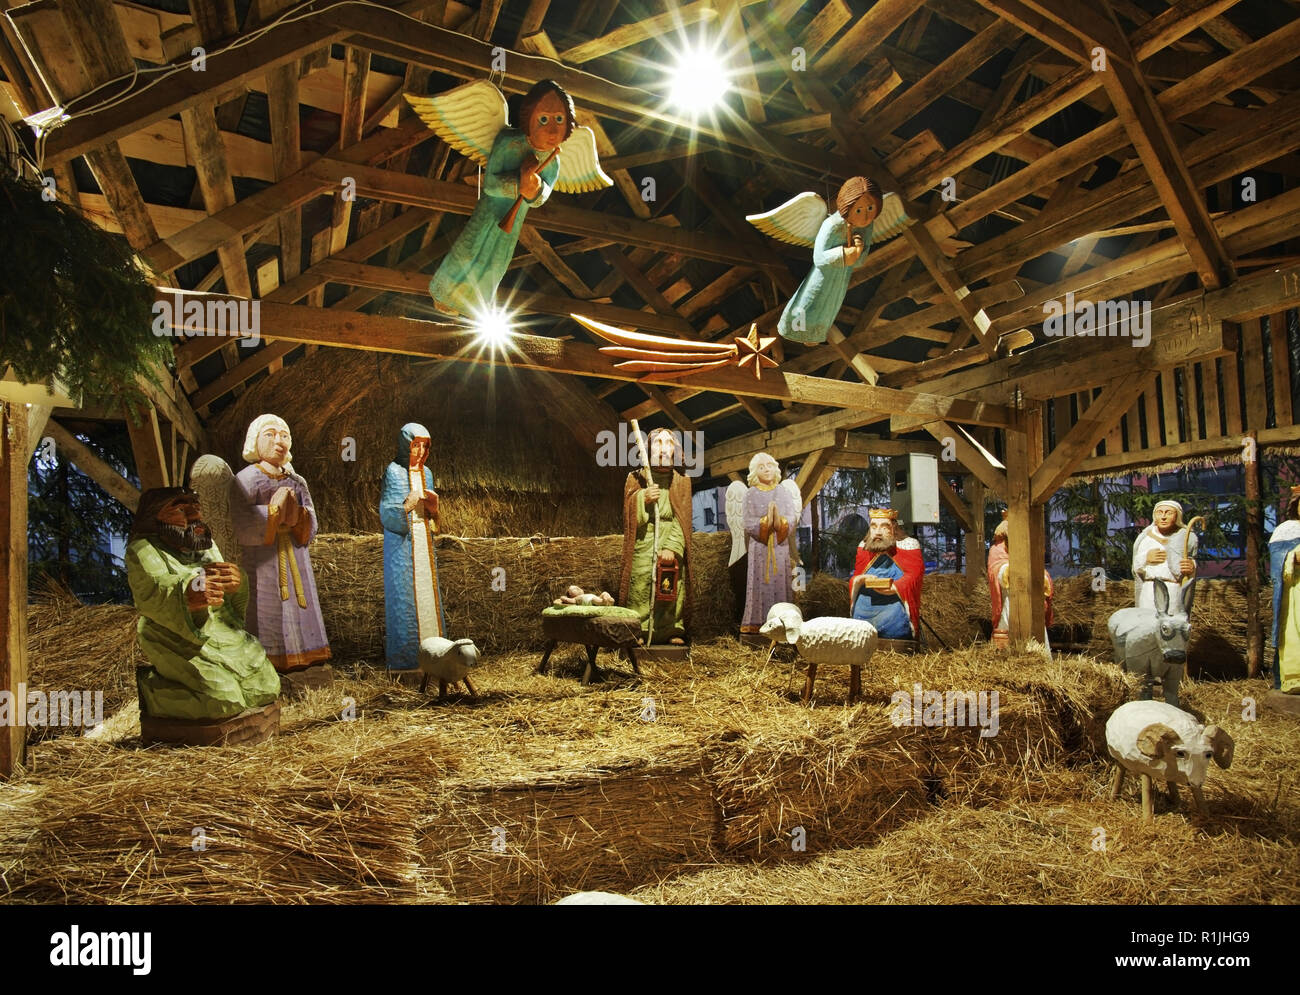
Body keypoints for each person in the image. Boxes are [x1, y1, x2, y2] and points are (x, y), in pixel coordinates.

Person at [126, 487, 281, 720]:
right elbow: (153, 593)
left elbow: (225, 600)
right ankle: (153, 691)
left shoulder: (202, 544)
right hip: (175, 638)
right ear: (154, 516)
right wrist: (186, 594)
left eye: (195, 508)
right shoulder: (143, 549)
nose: (194, 516)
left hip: (221, 634)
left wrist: (237, 582)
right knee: (222, 701)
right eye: (180, 509)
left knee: (265, 688)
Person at [428, 80, 570, 315]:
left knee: (496, 261)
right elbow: (491, 184)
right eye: (544, 119)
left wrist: (534, 190)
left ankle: (473, 306)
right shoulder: (508, 142)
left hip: (512, 224)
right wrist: (518, 185)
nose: (553, 131)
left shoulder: (553, 161)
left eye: (560, 120)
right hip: (489, 212)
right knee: (469, 250)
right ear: (529, 117)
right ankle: (445, 294)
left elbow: (542, 196)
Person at [229, 414, 330, 672]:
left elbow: (312, 521)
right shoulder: (246, 479)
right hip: (265, 561)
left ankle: (307, 655)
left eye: (284, 435)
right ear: (255, 441)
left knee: (301, 605)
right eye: (270, 435)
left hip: (296, 557)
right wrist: (273, 513)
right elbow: (240, 521)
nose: (279, 441)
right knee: (267, 608)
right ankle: (267, 664)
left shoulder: (297, 481)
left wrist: (299, 516)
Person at [777, 176, 882, 344]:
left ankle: (814, 336)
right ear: (847, 205)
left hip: (841, 278)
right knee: (809, 303)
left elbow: (861, 259)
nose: (865, 217)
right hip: (823, 276)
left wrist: (857, 253)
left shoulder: (867, 226)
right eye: (859, 210)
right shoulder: (832, 225)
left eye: (871, 208)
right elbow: (819, 258)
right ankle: (792, 330)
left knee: (828, 309)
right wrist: (847, 255)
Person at [380, 422, 445, 670]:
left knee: (429, 598)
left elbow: (434, 520)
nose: (419, 451)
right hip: (401, 544)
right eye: (415, 445)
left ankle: (436, 656)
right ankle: (406, 660)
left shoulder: (427, 474)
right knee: (404, 597)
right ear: (405, 445)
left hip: (424, 541)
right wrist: (406, 505)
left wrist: (434, 509)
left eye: (424, 446)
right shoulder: (394, 472)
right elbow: (386, 511)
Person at [620, 428, 693, 645]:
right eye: (657, 443)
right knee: (640, 584)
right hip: (644, 540)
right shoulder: (635, 478)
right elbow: (627, 514)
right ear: (648, 449)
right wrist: (642, 498)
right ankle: (637, 630)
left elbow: (684, 520)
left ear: (675, 450)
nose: (662, 448)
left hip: (671, 537)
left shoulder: (682, 481)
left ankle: (670, 630)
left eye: (668, 443)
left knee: (671, 585)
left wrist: (672, 546)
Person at [740, 453, 800, 634]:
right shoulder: (750, 494)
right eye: (761, 467)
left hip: (780, 547)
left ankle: (783, 623)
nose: (766, 469)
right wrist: (765, 522)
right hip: (760, 547)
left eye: (769, 465)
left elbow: (791, 517)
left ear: (775, 468)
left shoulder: (783, 491)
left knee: (780, 581)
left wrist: (780, 522)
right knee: (760, 583)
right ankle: (756, 621)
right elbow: (748, 521)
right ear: (754, 472)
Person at [849, 508, 923, 639]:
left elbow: (914, 576)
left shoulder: (908, 545)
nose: (877, 532)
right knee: (860, 630)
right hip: (865, 605)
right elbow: (856, 575)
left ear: (894, 528)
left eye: (884, 527)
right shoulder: (864, 547)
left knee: (896, 626)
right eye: (874, 527)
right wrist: (859, 580)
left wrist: (895, 587)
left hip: (893, 604)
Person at [987, 513, 1053, 649]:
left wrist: (1038, 576)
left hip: (1032, 607)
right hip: (1011, 604)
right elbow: (998, 569)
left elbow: (1040, 573)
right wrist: (1019, 572)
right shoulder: (998, 549)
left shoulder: (1027, 547)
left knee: (1036, 643)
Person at [1132, 499, 1197, 614]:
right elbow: (1136, 567)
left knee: (1171, 626)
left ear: (1177, 516)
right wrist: (1146, 557)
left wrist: (1191, 566)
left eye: (1169, 513)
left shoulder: (1186, 537)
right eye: (1159, 512)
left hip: (1173, 590)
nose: (1163, 516)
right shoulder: (1145, 537)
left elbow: (1191, 561)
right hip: (1149, 590)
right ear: (1154, 515)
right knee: (1148, 624)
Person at [1269, 485, 1300, 694]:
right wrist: (1292, 558)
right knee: (1293, 632)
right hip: (1296, 589)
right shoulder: (1287, 530)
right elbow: (1276, 565)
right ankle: (1295, 678)